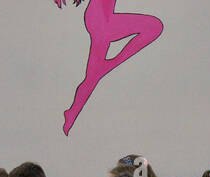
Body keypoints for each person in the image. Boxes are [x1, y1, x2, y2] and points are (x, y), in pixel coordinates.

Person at [56, 0, 164, 136]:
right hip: (103, 22)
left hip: (99, 21)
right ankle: (110, 64)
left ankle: (71, 114)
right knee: (154, 26)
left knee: (92, 77)